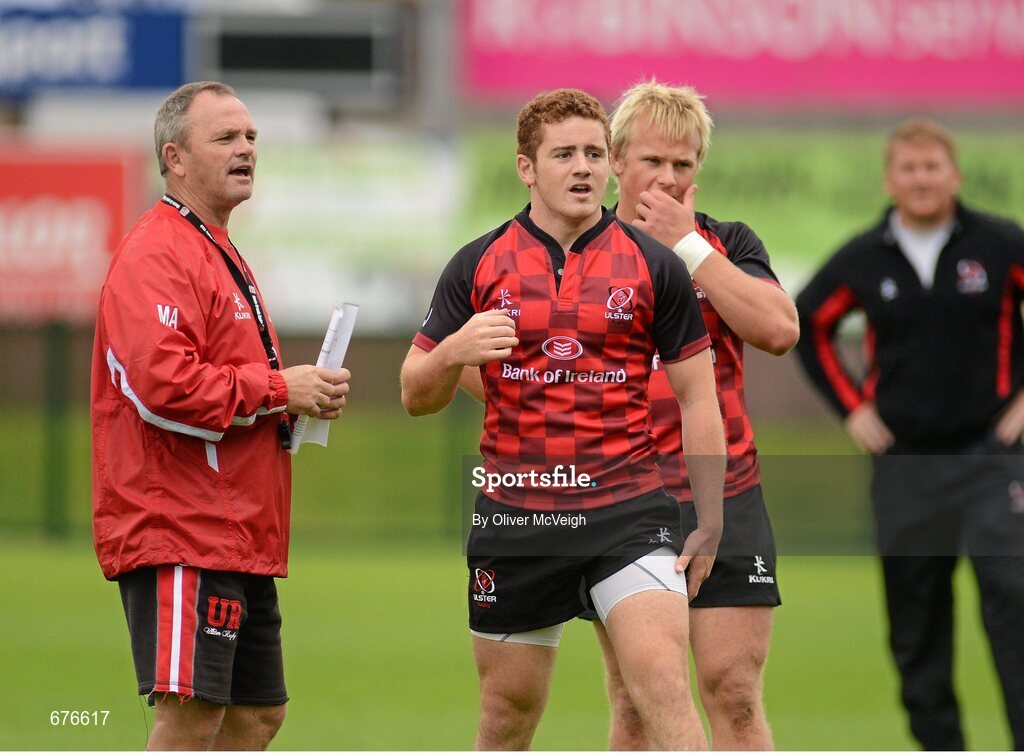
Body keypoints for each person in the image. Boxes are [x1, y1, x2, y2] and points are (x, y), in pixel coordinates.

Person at [401, 88, 726, 750]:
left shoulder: (653, 264)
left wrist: (712, 519)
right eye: (564, 154)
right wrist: (457, 350)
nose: (583, 168)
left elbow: (699, 397)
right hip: (518, 518)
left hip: (628, 510)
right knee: (505, 715)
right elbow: (415, 392)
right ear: (527, 167)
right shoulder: (477, 263)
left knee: (663, 686)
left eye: (594, 153)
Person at [91, 81, 351, 751]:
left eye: (252, 137)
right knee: (191, 717)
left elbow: (230, 384)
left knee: (254, 715)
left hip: (235, 531)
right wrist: (276, 389)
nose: (247, 150)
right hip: (182, 527)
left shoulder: (216, 246)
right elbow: (161, 387)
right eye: (227, 138)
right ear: (175, 158)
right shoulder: (157, 253)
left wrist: (295, 404)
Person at [576, 79, 797, 751]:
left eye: (684, 164)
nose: (669, 179)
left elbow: (779, 328)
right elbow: (488, 364)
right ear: (616, 159)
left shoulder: (727, 241)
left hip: (724, 490)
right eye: (653, 161)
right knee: (638, 701)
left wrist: (691, 248)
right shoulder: (570, 248)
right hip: (619, 498)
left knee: (733, 689)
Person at [795, 118, 1024, 750]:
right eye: (909, 169)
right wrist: (853, 411)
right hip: (905, 467)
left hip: (993, 459)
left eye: (932, 167)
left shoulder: (1001, 244)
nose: (921, 180)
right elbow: (808, 325)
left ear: (954, 175)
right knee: (916, 628)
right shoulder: (863, 258)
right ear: (889, 179)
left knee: (1014, 602)